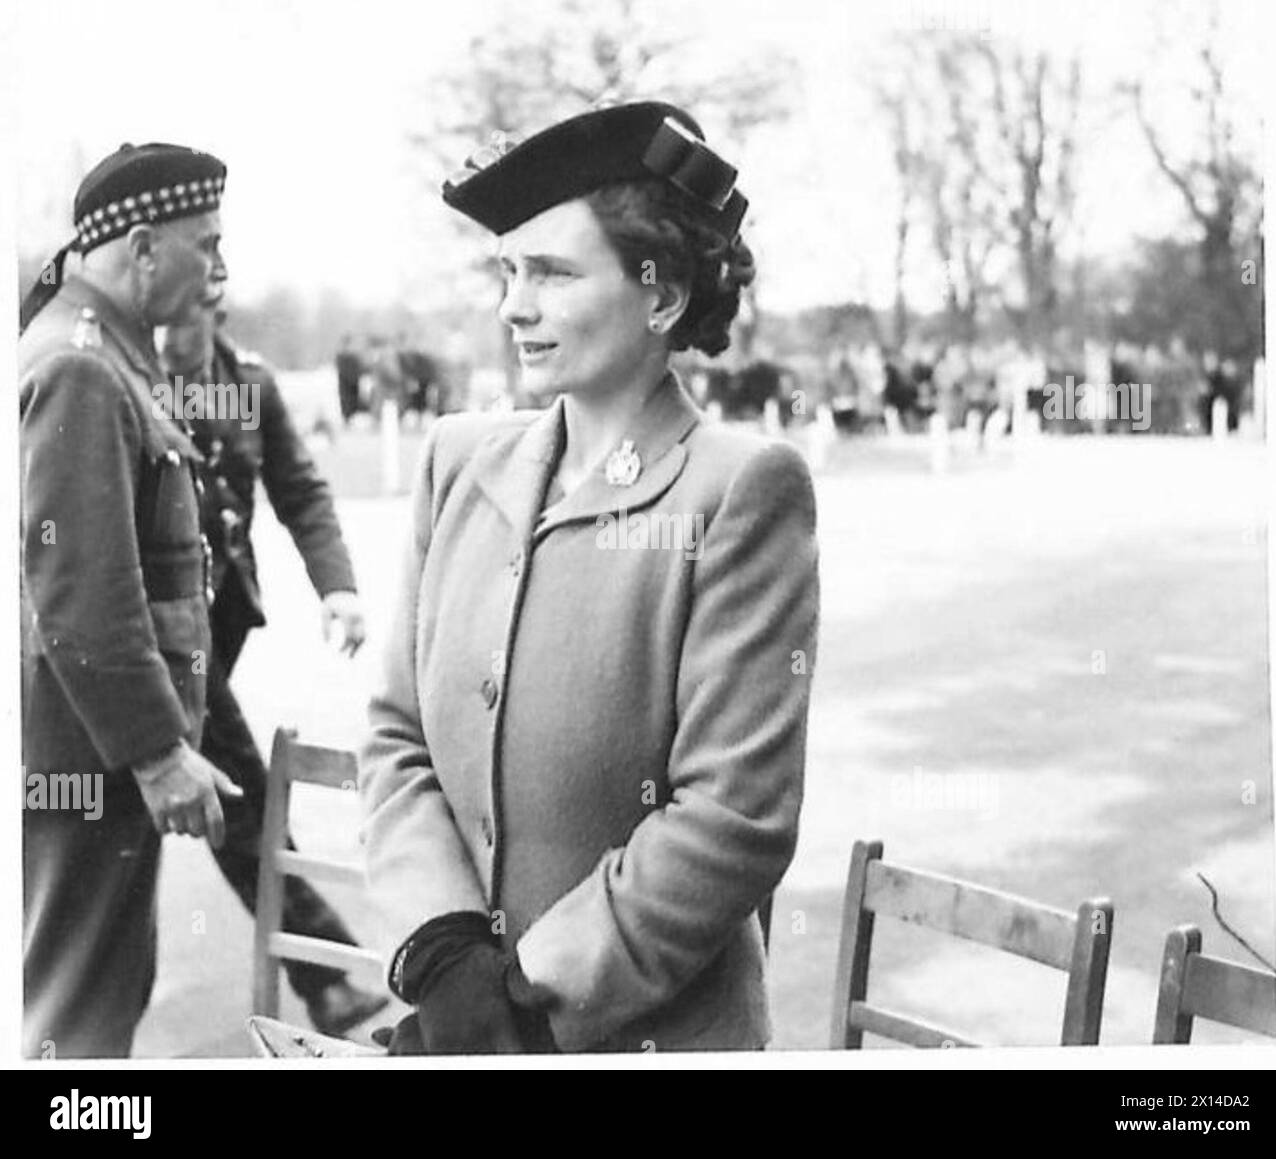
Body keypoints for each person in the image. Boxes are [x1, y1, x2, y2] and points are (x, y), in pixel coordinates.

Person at [361, 102, 820, 1054]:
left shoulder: (741, 489)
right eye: (509, 272)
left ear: (661, 296)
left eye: (554, 273)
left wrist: (526, 997)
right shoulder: (456, 462)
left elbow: (731, 817)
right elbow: (395, 735)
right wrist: (445, 955)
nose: (513, 306)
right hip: (460, 1028)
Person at [19, 143, 241, 1057]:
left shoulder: (103, 351)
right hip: (88, 752)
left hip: (86, 741)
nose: (220, 271)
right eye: (207, 244)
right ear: (144, 248)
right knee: (81, 1008)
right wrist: (154, 753)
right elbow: (79, 588)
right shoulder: (81, 365)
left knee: (95, 988)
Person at [158, 310, 388, 1036]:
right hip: (153, 640)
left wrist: (339, 587)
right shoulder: (123, 374)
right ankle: (325, 974)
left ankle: (324, 975)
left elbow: (300, 488)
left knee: (215, 796)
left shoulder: (246, 383)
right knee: (236, 791)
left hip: (214, 629)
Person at [335, 334, 363, 425]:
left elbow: (360, 368)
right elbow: (342, 370)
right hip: (345, 384)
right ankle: (347, 420)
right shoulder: (341, 356)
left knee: (352, 403)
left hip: (353, 384)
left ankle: (349, 419)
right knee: (346, 403)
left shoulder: (354, 356)